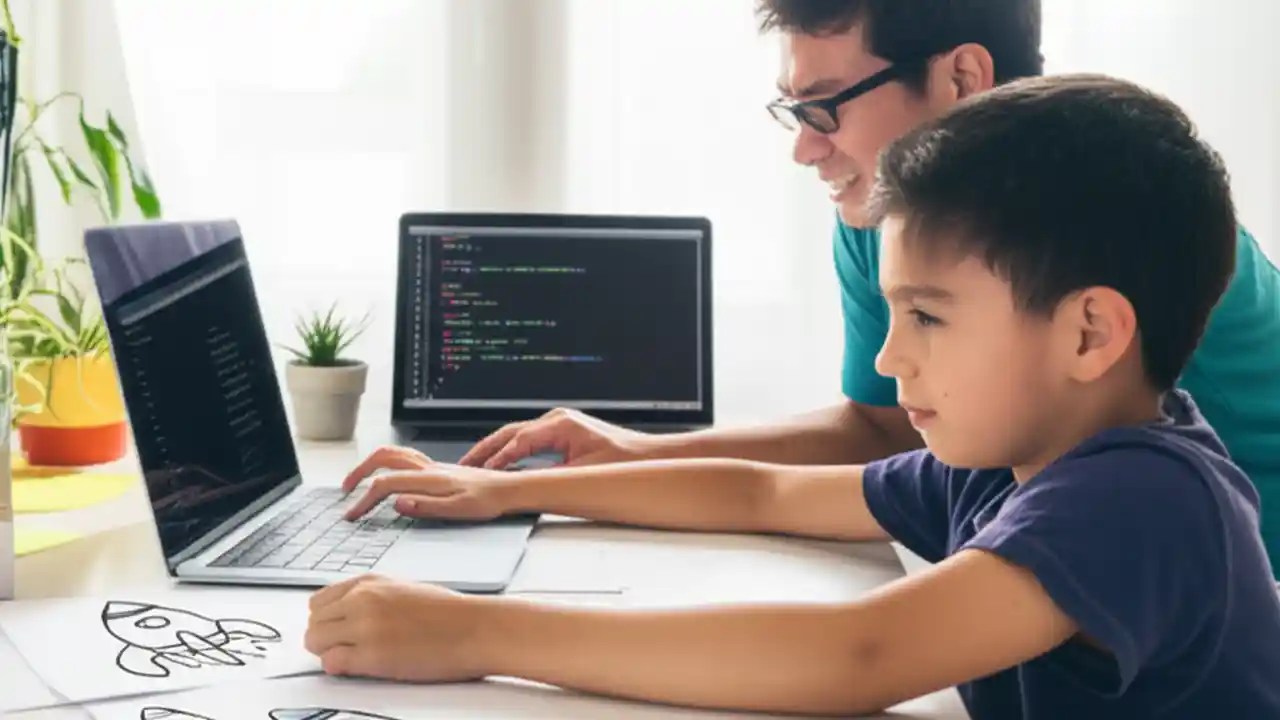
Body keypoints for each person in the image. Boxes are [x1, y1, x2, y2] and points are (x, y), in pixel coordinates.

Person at [306, 74, 1280, 718]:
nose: (890, 359)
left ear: (1088, 334)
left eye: (927, 316)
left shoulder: (1143, 499)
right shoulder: (1009, 464)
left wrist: (472, 631)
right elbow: (760, 492)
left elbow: (860, 654)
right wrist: (509, 492)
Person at [459, 0, 1280, 573]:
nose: (805, 149)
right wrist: (628, 453)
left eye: (826, 108)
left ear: (962, 77)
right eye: (794, 112)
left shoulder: (1110, 228)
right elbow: (881, 427)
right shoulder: (885, 217)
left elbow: (866, 643)